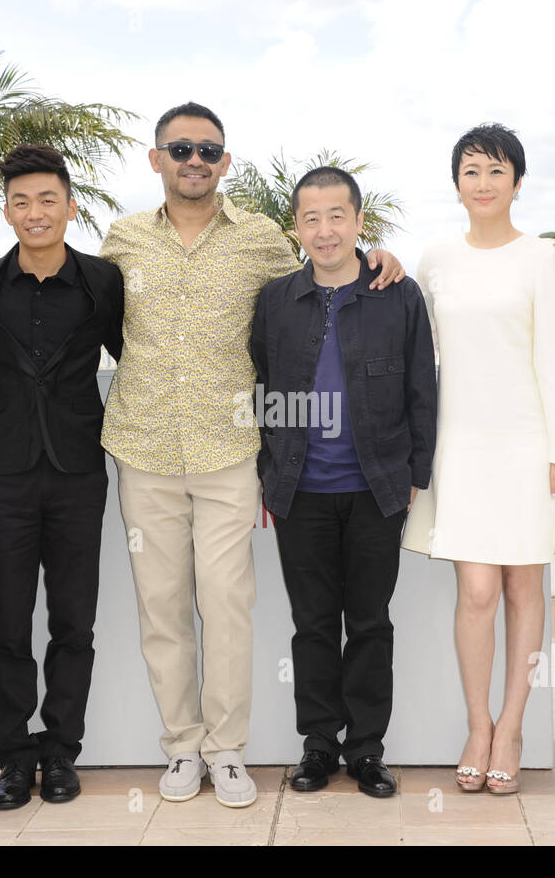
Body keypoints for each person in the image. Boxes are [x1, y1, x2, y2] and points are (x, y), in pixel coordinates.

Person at [99, 101, 405, 808]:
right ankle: (181, 747)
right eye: (180, 149)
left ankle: (227, 749)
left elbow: (324, 269)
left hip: (233, 450)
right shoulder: (121, 239)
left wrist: (379, 256)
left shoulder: (264, 238)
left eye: (209, 150)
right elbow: (94, 308)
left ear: (225, 162)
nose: (194, 161)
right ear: (156, 160)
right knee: (162, 608)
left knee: (228, 603)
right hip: (143, 448)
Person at [402, 124, 555, 795]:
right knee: (476, 590)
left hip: (528, 444)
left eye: (496, 171)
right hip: (459, 443)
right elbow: (422, 352)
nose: (483, 183)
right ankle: (478, 723)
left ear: (518, 182)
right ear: (456, 184)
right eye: (471, 171)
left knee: (521, 588)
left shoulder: (542, 258)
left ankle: (513, 724)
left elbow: (550, 356)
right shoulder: (437, 257)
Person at [251, 167, 436, 798]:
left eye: (337, 216)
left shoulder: (397, 294)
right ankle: (319, 747)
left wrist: (416, 472)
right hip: (300, 490)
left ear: (359, 221)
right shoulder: (276, 299)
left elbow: (421, 388)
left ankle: (366, 751)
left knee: (370, 621)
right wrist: (268, 470)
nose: (325, 230)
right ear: (296, 227)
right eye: (311, 218)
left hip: (377, 489)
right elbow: (261, 387)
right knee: (312, 625)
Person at [0, 144, 125, 810]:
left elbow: (143, 359)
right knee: (6, 625)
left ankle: (61, 751)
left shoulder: (103, 282)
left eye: (47, 199)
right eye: (21, 201)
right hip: (3, 474)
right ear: (6, 212)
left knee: (74, 622)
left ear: (70, 205)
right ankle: (13, 756)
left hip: (77, 473)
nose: (35, 212)